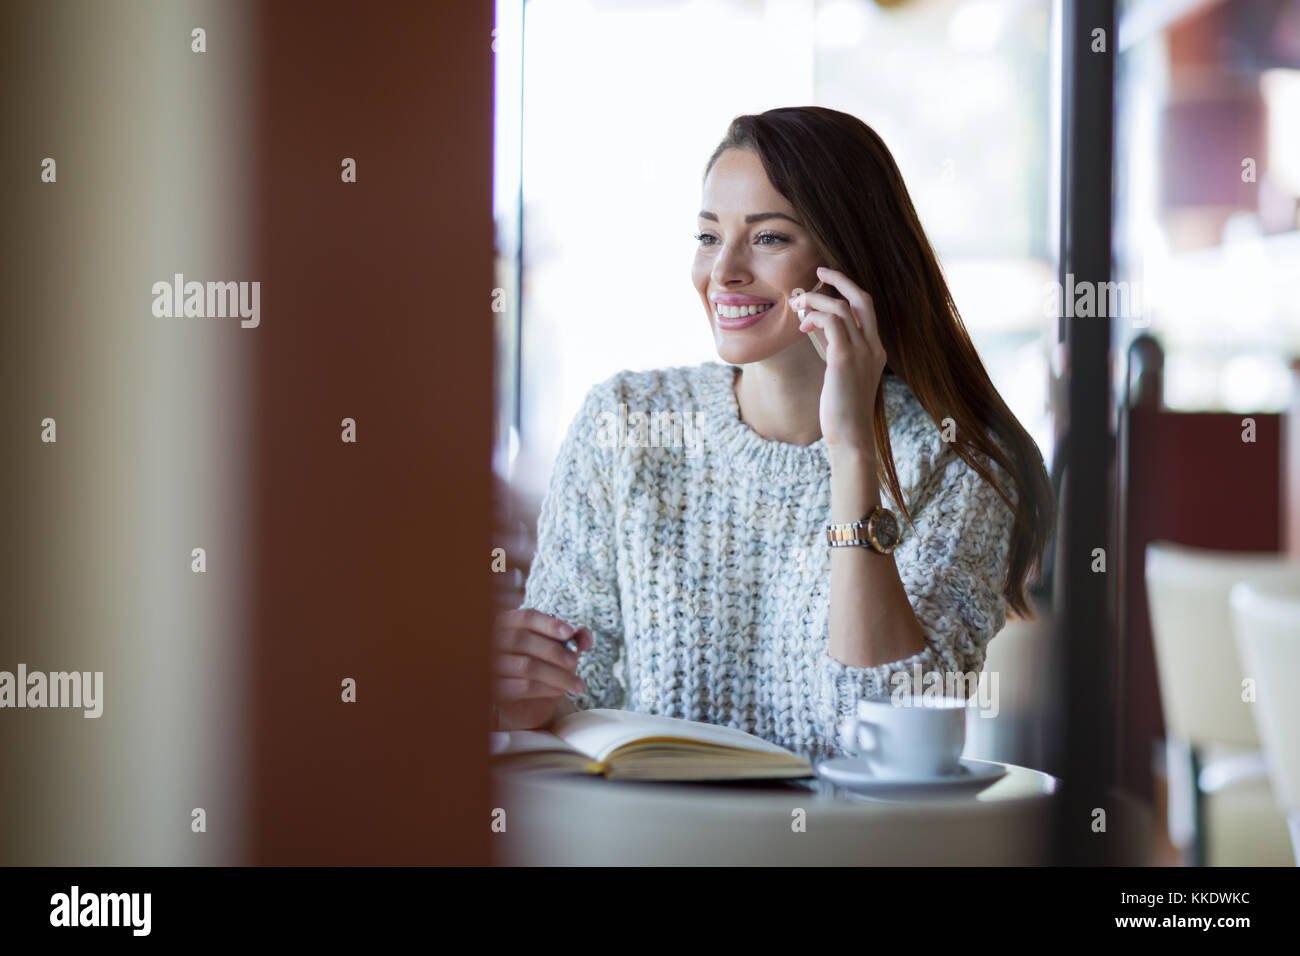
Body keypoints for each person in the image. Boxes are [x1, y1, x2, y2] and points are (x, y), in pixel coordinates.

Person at [492, 106, 1055, 762]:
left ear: (849, 259)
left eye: (768, 238)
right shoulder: (624, 422)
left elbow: (887, 737)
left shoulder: (962, 461)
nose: (723, 271)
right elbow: (573, 708)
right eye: (708, 236)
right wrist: (522, 696)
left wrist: (852, 451)